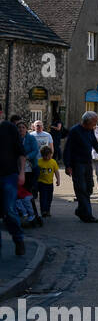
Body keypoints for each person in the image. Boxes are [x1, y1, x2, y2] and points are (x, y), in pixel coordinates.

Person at [64, 111, 98, 223]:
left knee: (89, 188)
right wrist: (67, 165)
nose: (96, 123)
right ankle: (88, 215)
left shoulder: (90, 131)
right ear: (87, 121)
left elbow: (97, 147)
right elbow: (67, 149)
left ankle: (80, 210)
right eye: (95, 121)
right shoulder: (75, 131)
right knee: (81, 189)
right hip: (77, 164)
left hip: (88, 163)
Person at [0, 105, 27, 255]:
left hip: (9, 175)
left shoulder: (9, 128)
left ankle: (18, 239)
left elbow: (21, 153)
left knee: (9, 210)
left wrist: (22, 172)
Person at [36, 145, 59, 219]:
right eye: (47, 156)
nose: (49, 157)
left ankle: (48, 210)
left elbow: (56, 171)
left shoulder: (53, 162)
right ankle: (43, 211)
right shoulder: (39, 162)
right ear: (43, 156)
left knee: (49, 198)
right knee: (43, 197)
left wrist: (58, 180)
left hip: (50, 183)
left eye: (50, 156)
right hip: (41, 183)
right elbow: (35, 172)